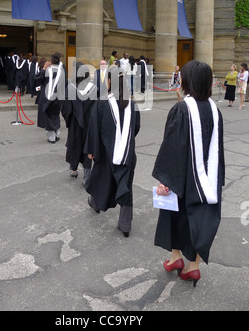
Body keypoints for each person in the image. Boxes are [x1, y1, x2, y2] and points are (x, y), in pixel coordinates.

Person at [152, 60, 225, 286]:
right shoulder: (216, 111)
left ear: (187, 81)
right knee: (199, 220)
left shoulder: (182, 109)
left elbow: (172, 146)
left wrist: (165, 180)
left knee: (175, 216)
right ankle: (193, 267)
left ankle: (176, 258)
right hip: (208, 180)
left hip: (182, 179)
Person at [85, 66, 141, 237]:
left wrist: (92, 150)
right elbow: (136, 128)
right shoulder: (133, 105)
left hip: (106, 152)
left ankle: (95, 203)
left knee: (102, 179)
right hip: (127, 154)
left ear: (109, 81)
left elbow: (94, 129)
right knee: (125, 186)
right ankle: (125, 225)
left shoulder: (102, 103)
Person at [61, 62, 97, 181]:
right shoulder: (93, 89)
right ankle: (86, 178)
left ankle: (73, 169)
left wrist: (70, 120)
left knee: (74, 145)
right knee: (88, 148)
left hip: (75, 125)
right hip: (89, 125)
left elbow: (66, 109)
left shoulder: (70, 88)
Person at [34, 54, 65, 143]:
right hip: (58, 97)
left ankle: (52, 138)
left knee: (48, 116)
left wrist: (44, 68)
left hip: (47, 97)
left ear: (50, 62)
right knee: (55, 115)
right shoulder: (61, 71)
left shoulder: (47, 70)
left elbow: (36, 78)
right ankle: (57, 134)